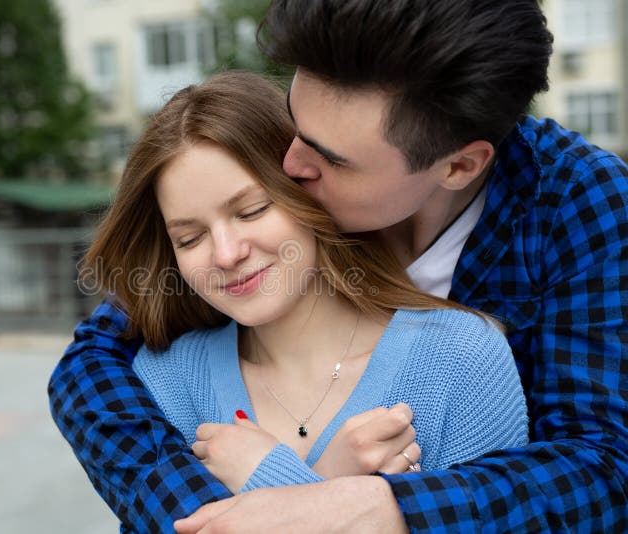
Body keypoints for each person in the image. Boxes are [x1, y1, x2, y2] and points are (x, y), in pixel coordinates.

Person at [49, 1, 628, 532]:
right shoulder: (204, 325)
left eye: (328, 159)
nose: (290, 162)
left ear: (458, 167)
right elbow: (93, 360)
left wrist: (381, 507)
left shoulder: (576, 204)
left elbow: (603, 467)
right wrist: (250, 504)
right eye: (295, 123)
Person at [73, 71, 526, 524]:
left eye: (252, 211)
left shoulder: (461, 358)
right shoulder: (167, 382)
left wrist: (267, 478)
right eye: (190, 239)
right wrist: (327, 480)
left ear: (307, 188)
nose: (227, 254)